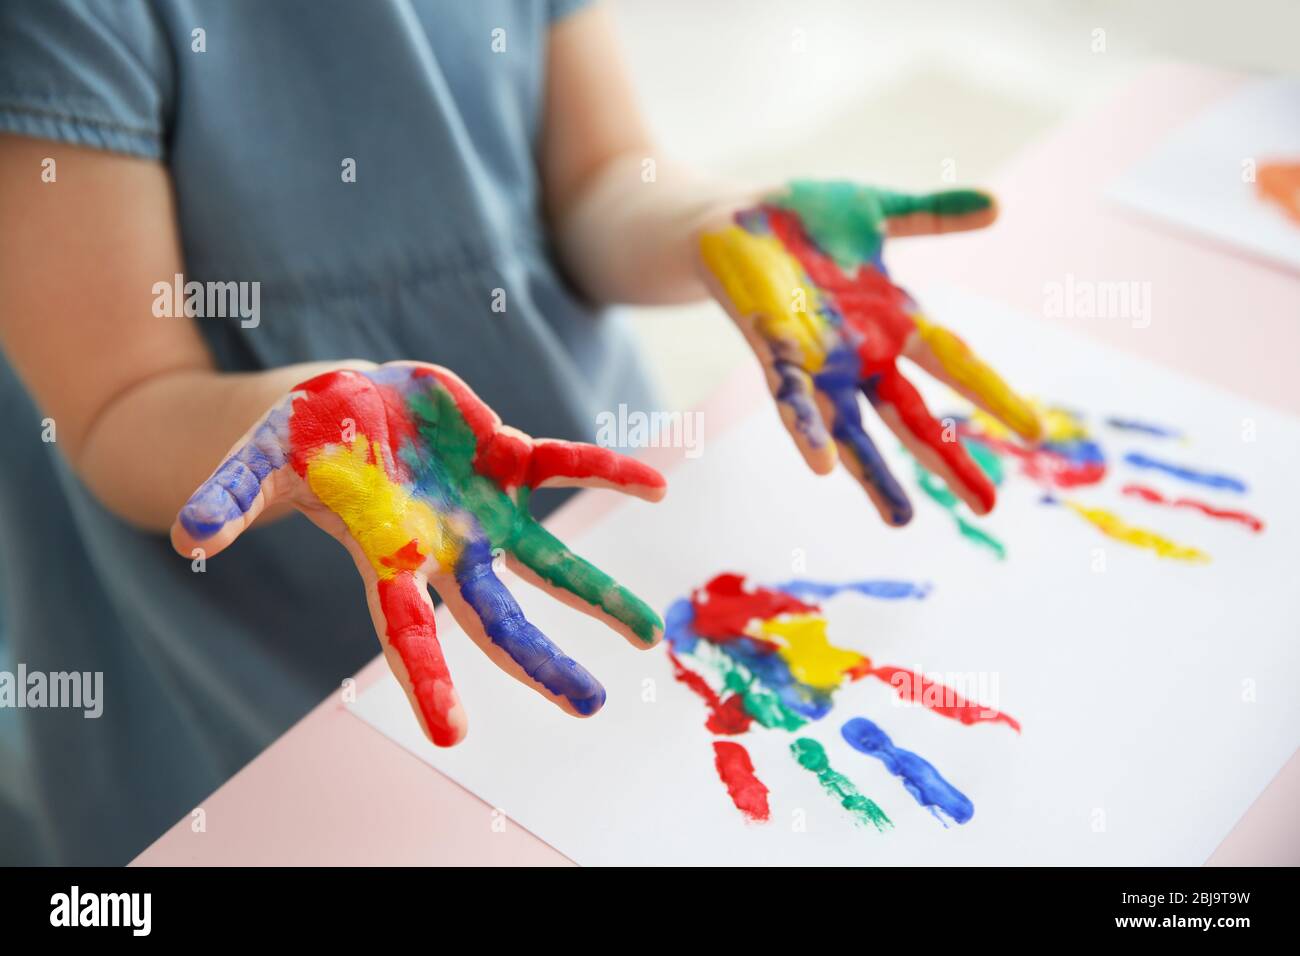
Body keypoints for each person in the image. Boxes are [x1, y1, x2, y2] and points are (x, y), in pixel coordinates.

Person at [0, 0, 1037, 864]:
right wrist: (328, 422)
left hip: (556, 497)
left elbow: (598, 184)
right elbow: (121, 400)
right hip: (255, 636)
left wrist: (710, 223)